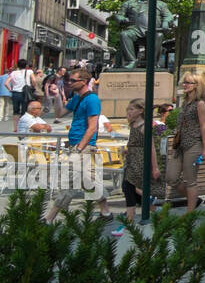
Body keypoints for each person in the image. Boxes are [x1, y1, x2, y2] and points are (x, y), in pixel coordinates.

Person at [45, 67, 109, 222]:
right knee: (88, 180)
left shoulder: (92, 99)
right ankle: (106, 212)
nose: (70, 83)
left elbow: (92, 126)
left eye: (73, 80)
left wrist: (80, 148)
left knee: (69, 180)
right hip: (75, 144)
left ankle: (49, 218)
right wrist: (57, 96)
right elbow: (60, 113)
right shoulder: (76, 98)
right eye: (69, 80)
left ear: (84, 81)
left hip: (83, 146)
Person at [111, 98, 163, 238]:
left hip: (139, 162)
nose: (129, 112)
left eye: (132, 109)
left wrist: (155, 167)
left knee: (128, 187)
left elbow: (150, 146)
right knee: (131, 189)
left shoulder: (144, 126)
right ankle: (154, 208)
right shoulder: (134, 125)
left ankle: (129, 223)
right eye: (128, 109)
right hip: (132, 160)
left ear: (141, 111)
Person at [167, 72, 205, 213]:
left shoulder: (200, 104)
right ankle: (194, 199)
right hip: (180, 144)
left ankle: (190, 212)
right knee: (171, 177)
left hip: (193, 143)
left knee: (190, 179)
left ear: (196, 86)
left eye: (188, 83)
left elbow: (203, 126)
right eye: (184, 82)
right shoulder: (184, 102)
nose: (185, 85)